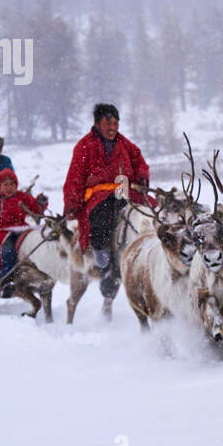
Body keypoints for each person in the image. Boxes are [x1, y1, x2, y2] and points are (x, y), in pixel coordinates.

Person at [62, 103, 153, 303]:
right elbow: (75, 178)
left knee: (153, 213)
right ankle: (106, 268)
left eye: (115, 123)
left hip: (125, 190)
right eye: (107, 123)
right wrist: (71, 204)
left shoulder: (125, 144)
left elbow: (140, 163)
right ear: (97, 123)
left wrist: (142, 179)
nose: (112, 127)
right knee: (101, 222)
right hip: (99, 195)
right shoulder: (84, 146)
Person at [0, 168, 46, 298]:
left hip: (22, 229)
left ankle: (42, 271)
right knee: (8, 249)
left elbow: (37, 210)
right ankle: (7, 281)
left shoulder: (22, 197)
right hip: (2, 233)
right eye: (5, 184)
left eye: (12, 184)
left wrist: (41, 202)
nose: (9, 188)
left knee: (38, 242)